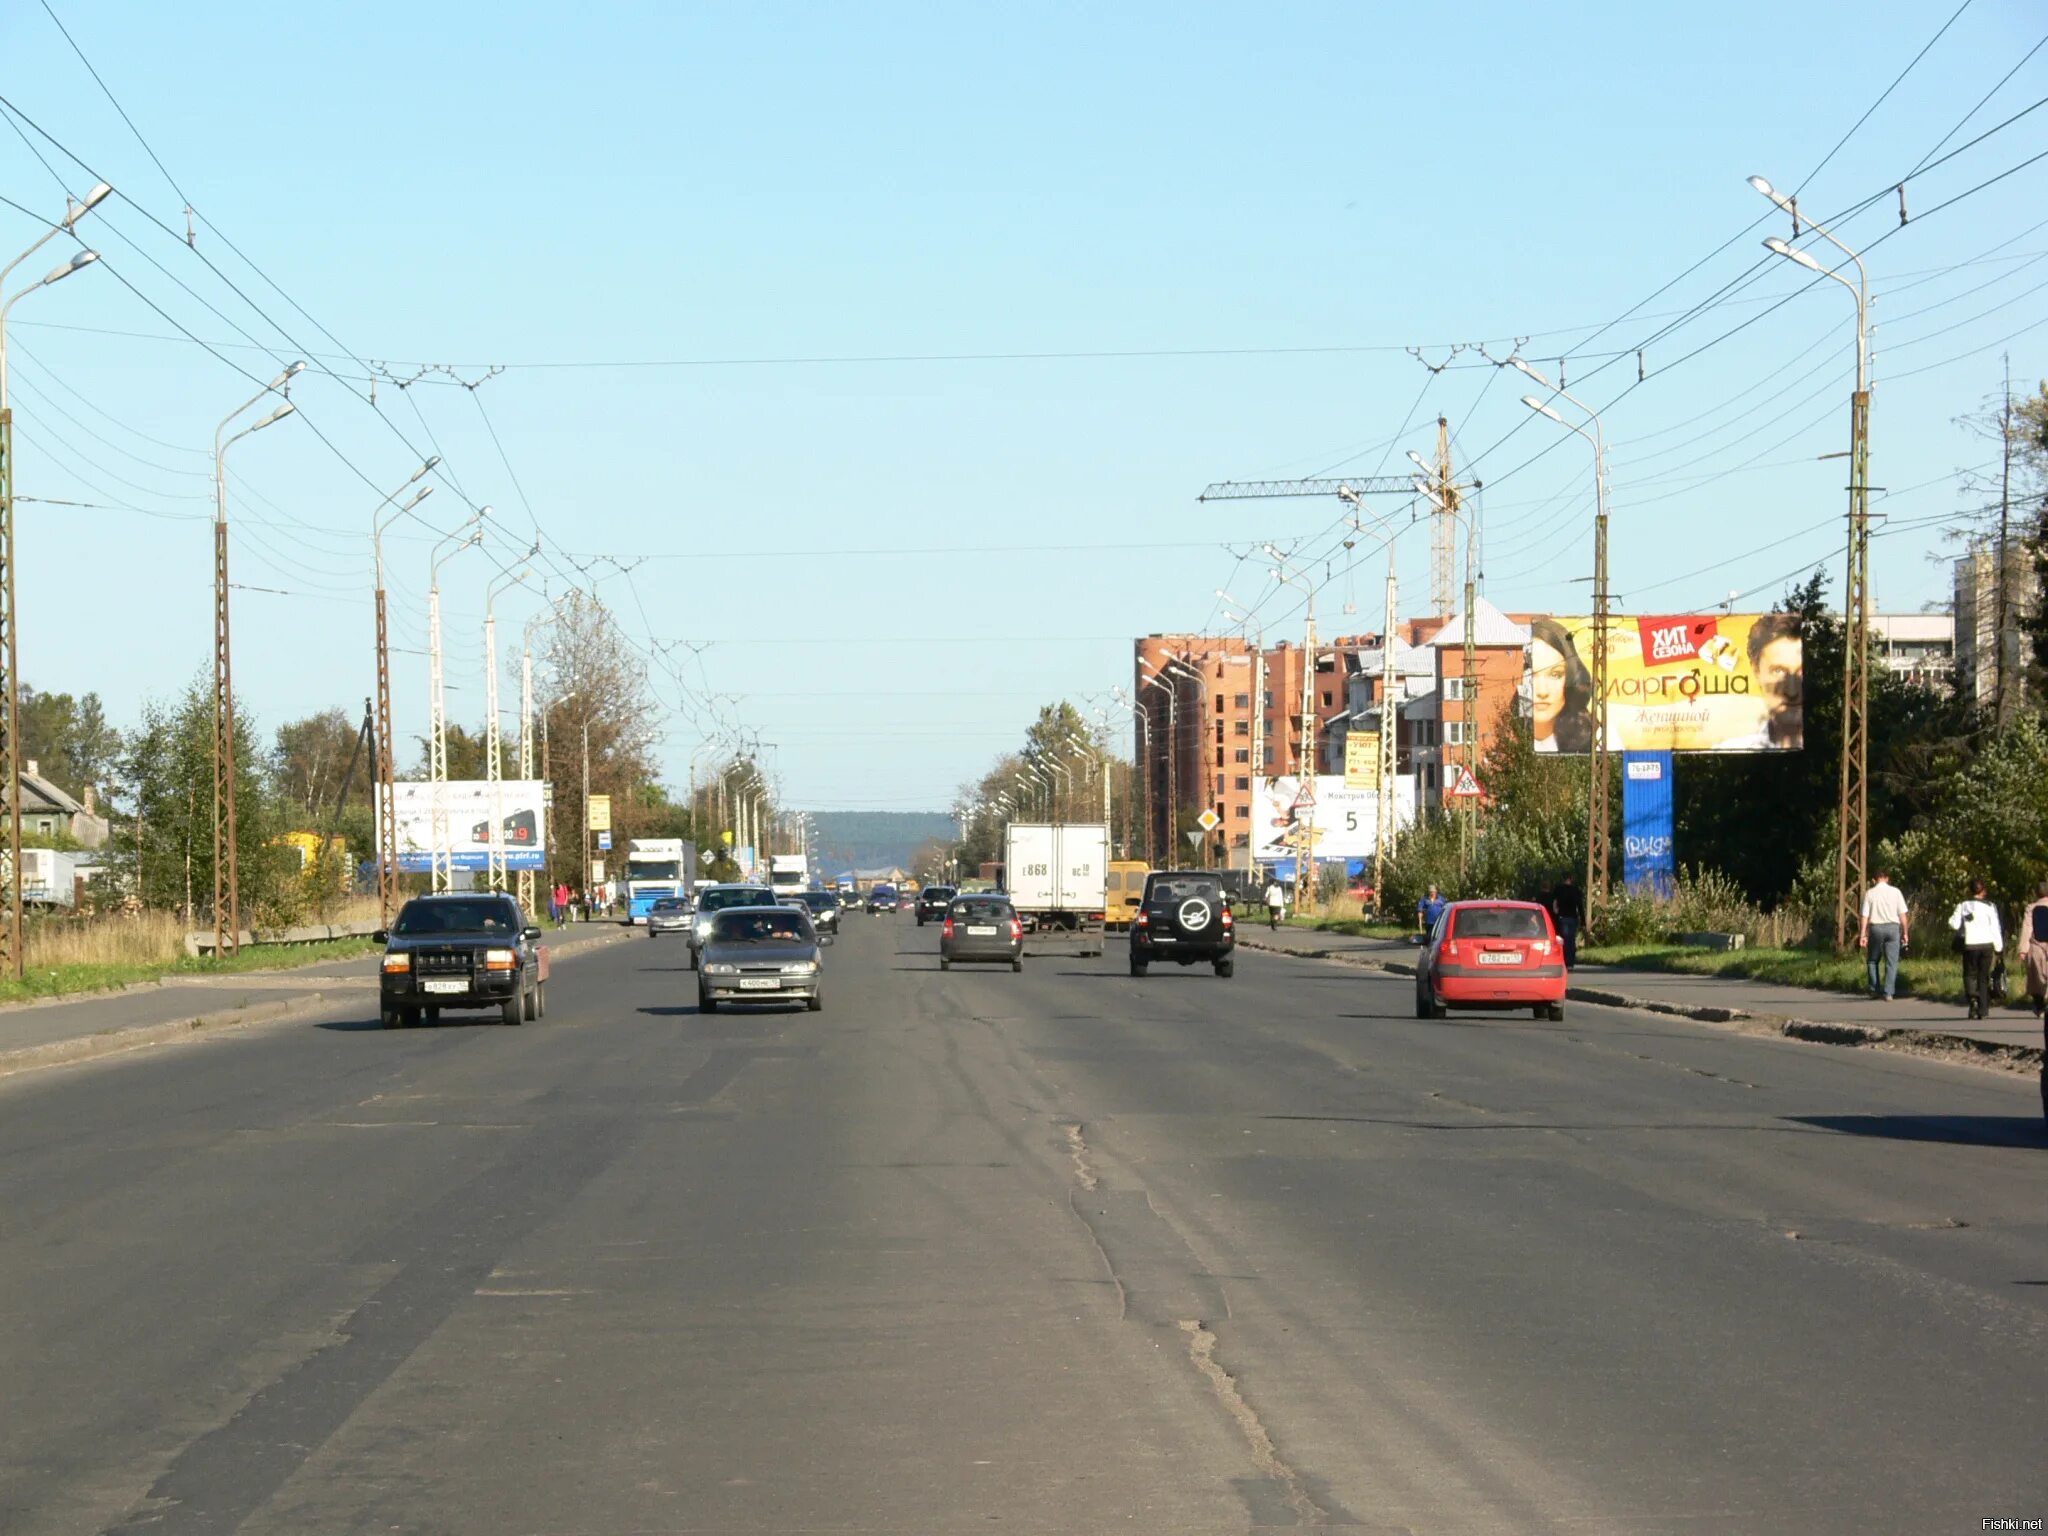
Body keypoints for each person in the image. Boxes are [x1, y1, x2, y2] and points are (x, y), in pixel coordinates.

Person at [1723, 614, 1804, 751]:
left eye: (1801, 672)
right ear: (1756, 670)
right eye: (1778, 671)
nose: (1792, 691)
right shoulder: (1736, 747)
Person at [1526, 618, 1595, 755]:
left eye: (1555, 674)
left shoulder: (1601, 738)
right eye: (1532, 675)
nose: (1543, 691)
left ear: (1571, 678)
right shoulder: (1507, 737)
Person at [1948, 878, 2003, 1021]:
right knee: (1983, 977)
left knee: (1969, 974)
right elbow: (1995, 927)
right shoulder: (1990, 906)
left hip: (1970, 945)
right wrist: (1999, 947)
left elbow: (1953, 924)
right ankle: (1983, 1010)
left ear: (1970, 890)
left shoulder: (1963, 905)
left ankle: (1973, 999)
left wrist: (1964, 921)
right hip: (1987, 945)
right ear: (1983, 890)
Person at [1857, 869, 1910, 1000]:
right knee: (1892, 962)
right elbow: (1903, 915)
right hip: (1893, 928)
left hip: (1876, 928)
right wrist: (1905, 933)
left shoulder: (1870, 893)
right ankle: (1889, 992)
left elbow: (1864, 916)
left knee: (1872, 960)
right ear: (1887, 878)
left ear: (1874, 880)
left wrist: (1863, 935)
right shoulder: (1896, 892)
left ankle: (1874, 989)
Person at [1550, 873, 1585, 968]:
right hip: (1573, 918)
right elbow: (1580, 906)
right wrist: (1583, 921)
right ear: (1571, 878)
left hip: (1562, 917)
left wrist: (1554, 914)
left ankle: (1565, 960)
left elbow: (1553, 902)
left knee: (1564, 939)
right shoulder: (1576, 890)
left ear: (1563, 879)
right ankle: (1571, 961)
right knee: (1571, 939)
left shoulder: (1558, 889)